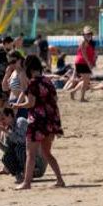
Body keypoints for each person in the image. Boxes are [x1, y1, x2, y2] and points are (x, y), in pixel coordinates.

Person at [13, 54, 66, 190]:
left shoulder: (32, 83)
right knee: (47, 152)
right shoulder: (47, 81)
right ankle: (60, 180)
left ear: (28, 69)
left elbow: (30, 103)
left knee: (30, 153)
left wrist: (17, 106)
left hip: (37, 121)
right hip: (50, 120)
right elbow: (55, 98)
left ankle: (27, 183)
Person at [66, 27, 96, 102]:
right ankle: (81, 98)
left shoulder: (89, 43)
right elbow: (83, 54)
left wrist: (92, 62)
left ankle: (73, 92)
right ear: (84, 35)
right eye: (87, 34)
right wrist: (89, 63)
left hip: (82, 62)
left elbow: (90, 54)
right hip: (82, 62)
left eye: (90, 34)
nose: (89, 35)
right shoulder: (83, 42)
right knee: (86, 80)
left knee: (86, 80)